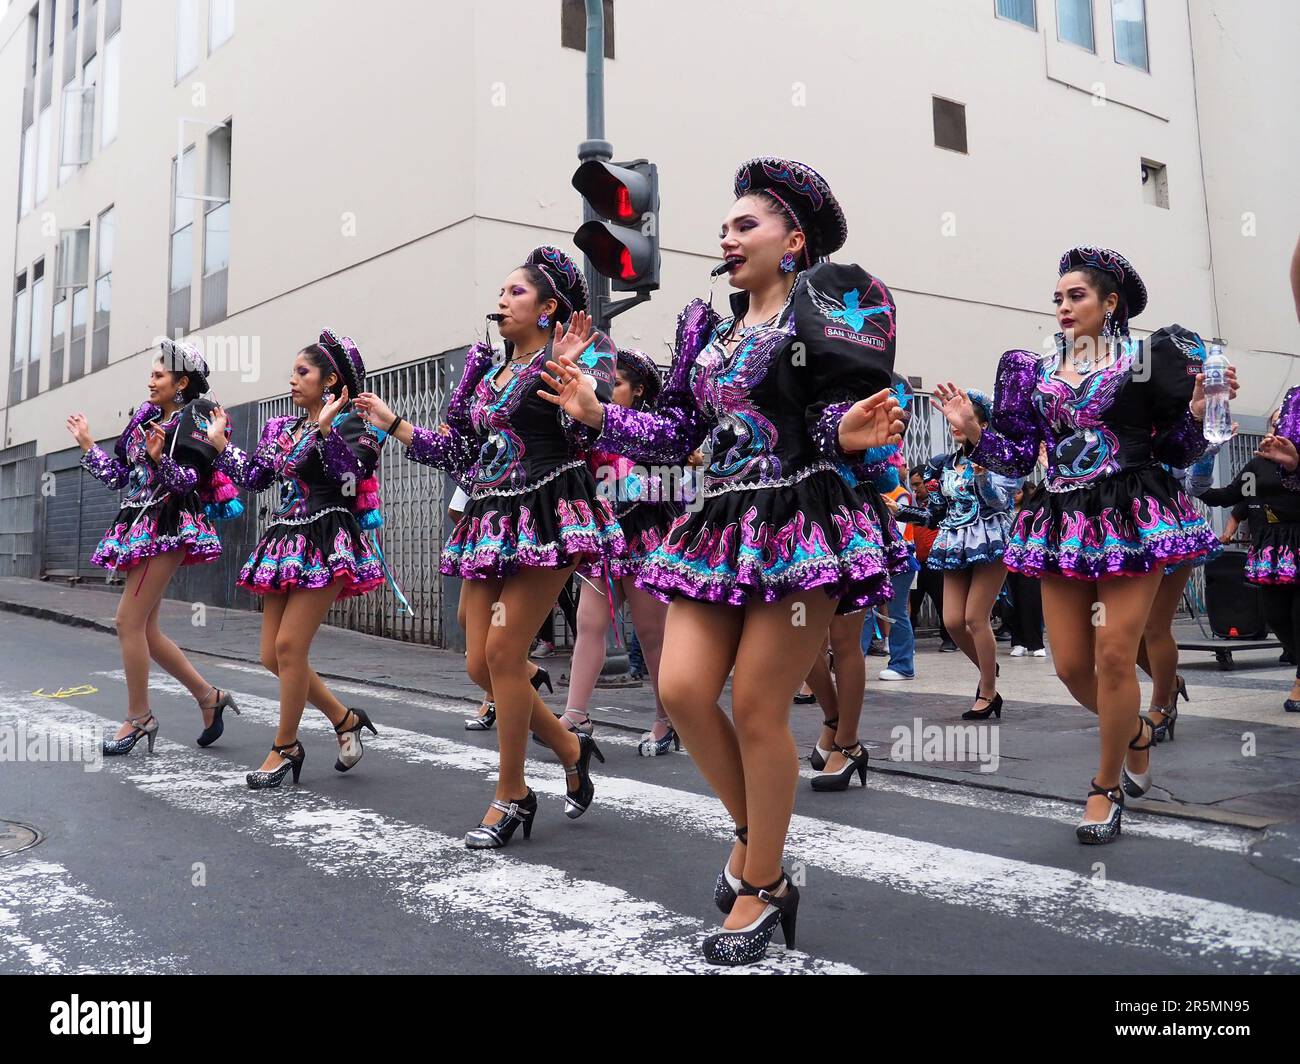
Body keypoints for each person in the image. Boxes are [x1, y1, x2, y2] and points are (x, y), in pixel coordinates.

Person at [541, 157, 903, 964]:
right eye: (726, 226)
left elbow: (833, 411)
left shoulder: (819, 321)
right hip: (719, 520)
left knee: (762, 709)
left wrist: (843, 432)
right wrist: (600, 413)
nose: (727, 237)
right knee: (681, 688)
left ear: (793, 239)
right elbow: (678, 436)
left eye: (747, 225)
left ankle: (762, 882)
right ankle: (759, 847)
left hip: (801, 521)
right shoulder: (714, 333)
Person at [935, 245, 1230, 844]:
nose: (1064, 307)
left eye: (1078, 296)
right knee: (1070, 666)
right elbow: (1016, 462)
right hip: (1062, 519)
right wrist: (975, 433)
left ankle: (1104, 786)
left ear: (1110, 303)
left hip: (1132, 513)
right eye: (1059, 298)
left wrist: (1198, 413)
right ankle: (1137, 734)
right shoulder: (1031, 371)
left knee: (1116, 655)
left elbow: (1178, 452)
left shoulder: (1144, 364)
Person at [354, 245, 623, 848]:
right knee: (481, 663)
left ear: (549, 307)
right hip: (489, 515)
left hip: (551, 512)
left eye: (516, 292)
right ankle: (570, 746)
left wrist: (574, 375)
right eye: (500, 292)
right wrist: (394, 423)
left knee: (504, 651)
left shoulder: (572, 361)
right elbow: (459, 452)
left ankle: (513, 795)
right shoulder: (490, 374)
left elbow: (590, 425)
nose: (501, 300)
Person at [210, 330, 386, 787]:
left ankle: (286, 746)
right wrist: (219, 444)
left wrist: (327, 432)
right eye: (292, 372)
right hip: (284, 540)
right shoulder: (281, 429)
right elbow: (253, 476)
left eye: (302, 372)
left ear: (329, 380)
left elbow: (349, 475)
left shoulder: (357, 426)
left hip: (328, 538)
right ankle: (344, 719)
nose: (292, 380)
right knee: (272, 655)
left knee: (290, 648)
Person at [67, 340, 238, 754]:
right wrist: (88, 445)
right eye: (152, 374)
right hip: (136, 524)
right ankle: (208, 697)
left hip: (169, 523)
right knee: (145, 628)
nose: (150, 381)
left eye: (159, 375)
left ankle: (139, 717)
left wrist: (160, 460)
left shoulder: (196, 417)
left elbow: (187, 483)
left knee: (127, 621)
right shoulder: (146, 418)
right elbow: (117, 478)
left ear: (181, 382)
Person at [561, 347, 679, 756]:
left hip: (646, 539)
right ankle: (576, 715)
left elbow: (682, 488)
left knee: (651, 635)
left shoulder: (657, 430)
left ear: (640, 390)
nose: (611, 390)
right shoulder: (589, 428)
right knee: (588, 623)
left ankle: (667, 720)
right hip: (604, 541)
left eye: (621, 383)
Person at [898, 391, 1020, 719]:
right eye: (951, 420)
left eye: (963, 418)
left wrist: (981, 477)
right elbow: (936, 513)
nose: (953, 425)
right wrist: (900, 511)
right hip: (953, 541)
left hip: (989, 538)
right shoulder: (944, 464)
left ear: (981, 424)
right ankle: (987, 665)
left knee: (974, 618)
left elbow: (1000, 504)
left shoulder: (1001, 459)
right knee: (952, 621)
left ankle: (988, 691)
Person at [1201, 401, 1300, 713]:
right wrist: (1196, 480)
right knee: (1275, 615)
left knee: (1299, 615)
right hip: (1271, 546)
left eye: (1284, 423)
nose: (1276, 430)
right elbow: (1229, 496)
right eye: (1274, 424)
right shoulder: (1257, 467)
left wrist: (1295, 465)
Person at [907, 465, 955, 650]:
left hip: (936, 562)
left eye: (918, 484)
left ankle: (950, 639)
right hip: (917, 563)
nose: (915, 489)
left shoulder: (941, 505)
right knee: (911, 605)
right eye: (913, 485)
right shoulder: (911, 503)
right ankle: (906, 642)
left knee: (943, 603)